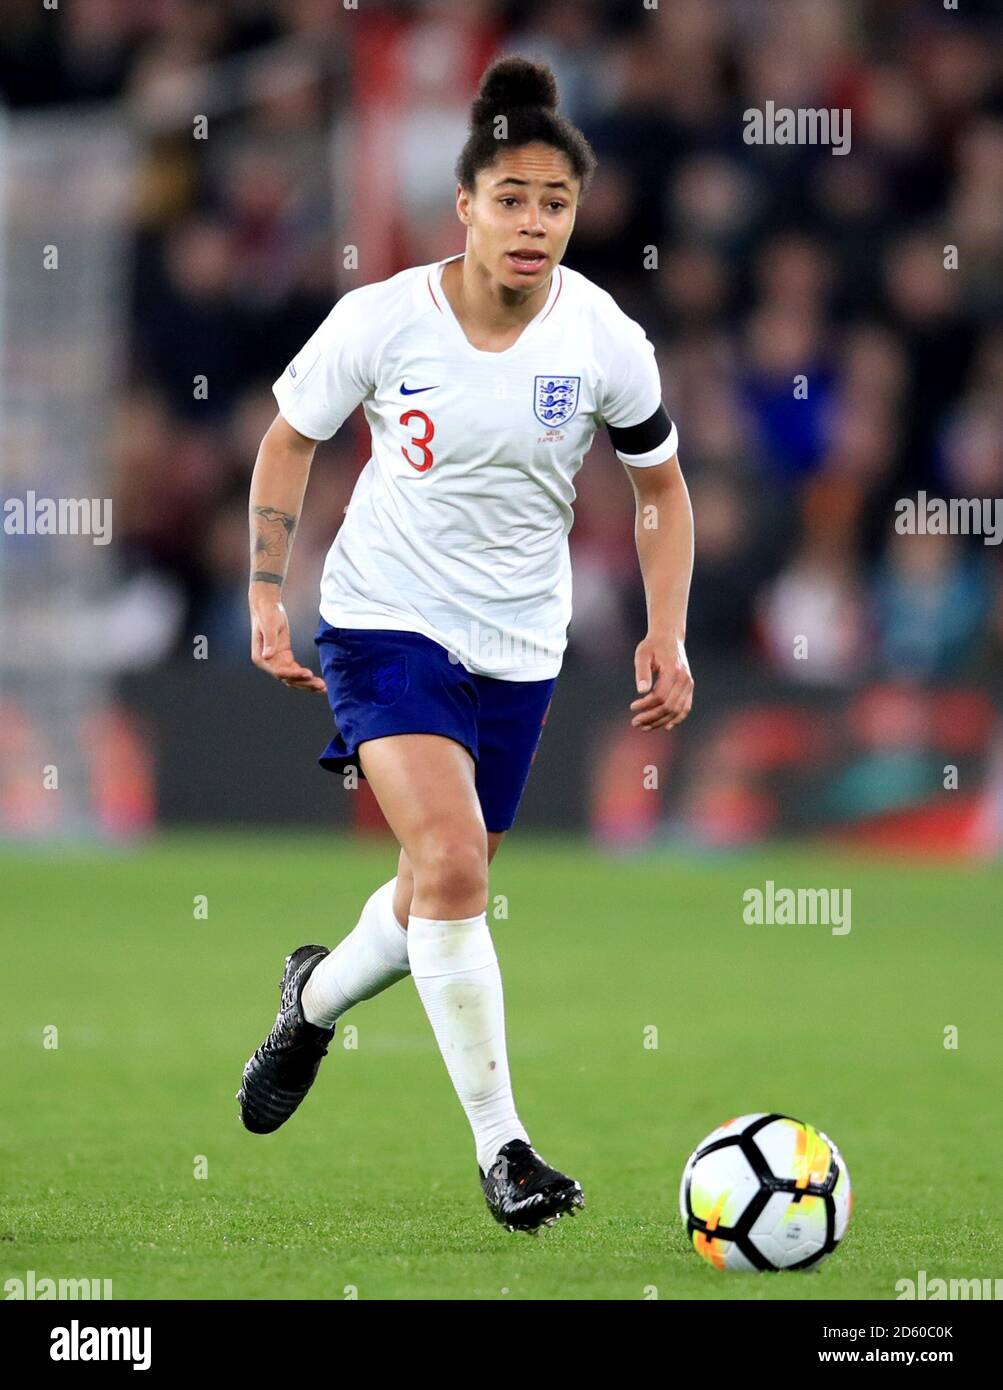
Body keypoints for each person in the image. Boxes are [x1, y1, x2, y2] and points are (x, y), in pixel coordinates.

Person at [237, 56, 694, 1234]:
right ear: (467, 206)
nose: (534, 221)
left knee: (442, 880)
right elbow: (289, 440)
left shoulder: (602, 336)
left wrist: (667, 629)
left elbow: (659, 487)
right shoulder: (384, 316)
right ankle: (508, 1152)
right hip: (385, 618)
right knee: (451, 860)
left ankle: (313, 999)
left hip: (521, 644)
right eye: (511, 197)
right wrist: (264, 593)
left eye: (555, 201)